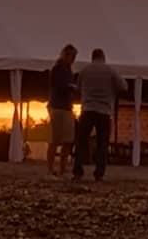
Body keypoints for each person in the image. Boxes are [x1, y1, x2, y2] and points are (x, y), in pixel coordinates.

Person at [72, 47, 128, 180]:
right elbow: (124, 87)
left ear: (92, 57)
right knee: (102, 143)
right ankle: (99, 173)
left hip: (87, 109)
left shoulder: (84, 71)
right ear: (103, 57)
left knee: (81, 141)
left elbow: (78, 89)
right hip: (104, 111)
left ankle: (78, 171)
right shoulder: (110, 71)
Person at [46, 44, 78, 176]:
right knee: (55, 139)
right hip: (58, 107)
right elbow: (59, 86)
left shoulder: (68, 70)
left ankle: (62, 168)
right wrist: (71, 87)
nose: (72, 59)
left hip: (66, 108)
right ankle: (50, 168)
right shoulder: (57, 69)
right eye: (70, 56)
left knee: (68, 140)